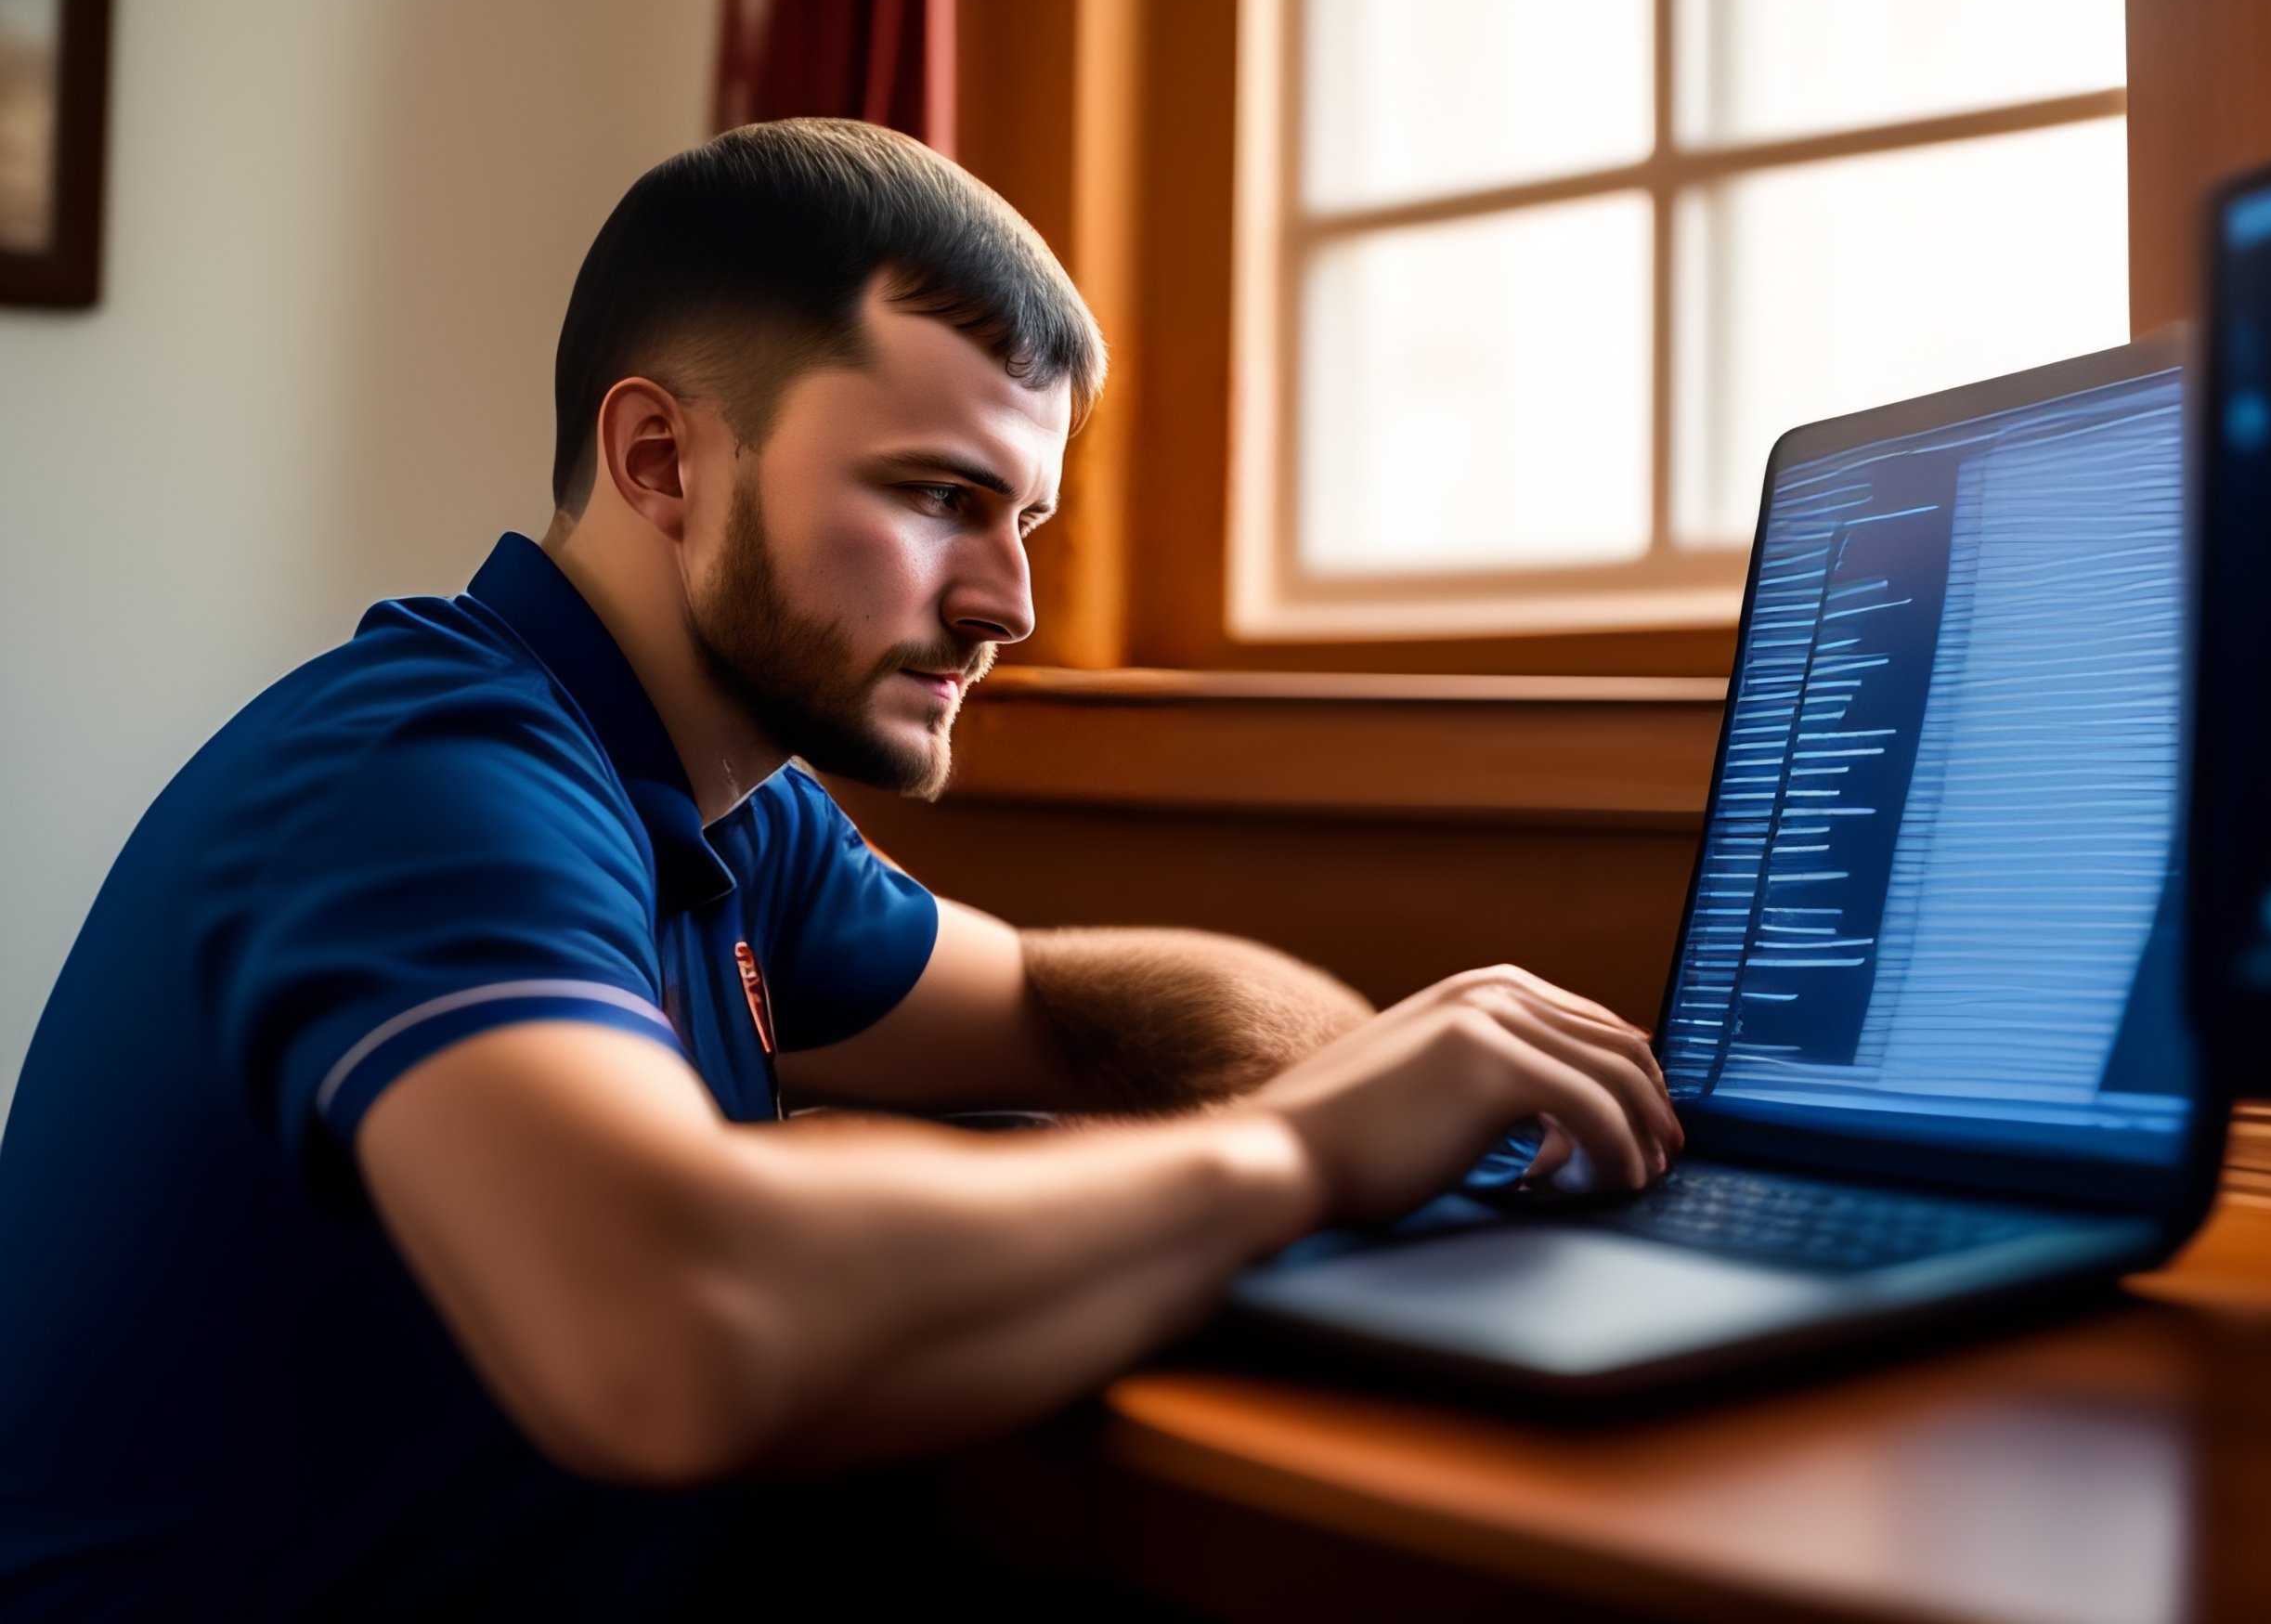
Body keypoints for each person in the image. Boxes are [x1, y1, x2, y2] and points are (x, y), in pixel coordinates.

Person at [0, 119, 1678, 1617]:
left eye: (1025, 520)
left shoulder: (729, 809)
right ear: (664, 461)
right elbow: (670, 1334)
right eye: (939, 498)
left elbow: (1063, 1000)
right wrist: (1297, 1163)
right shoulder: (431, 780)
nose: (1006, 605)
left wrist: (1417, 1094)